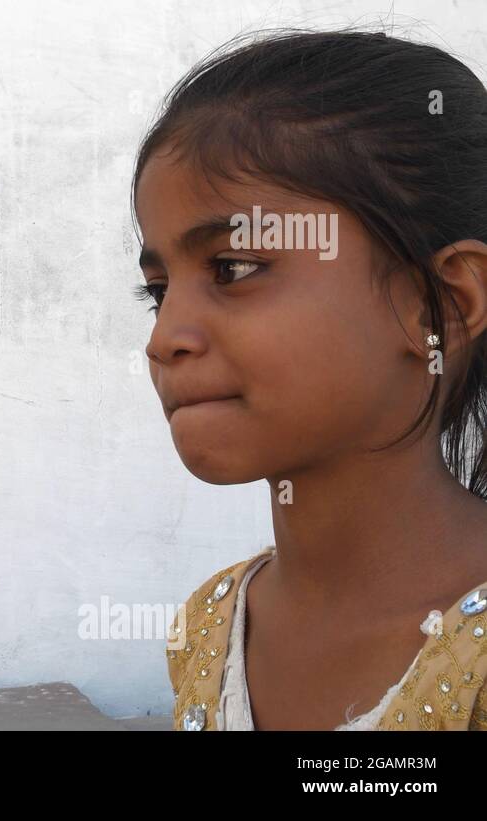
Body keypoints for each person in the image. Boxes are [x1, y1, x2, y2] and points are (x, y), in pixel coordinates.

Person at [133, 28, 487, 730]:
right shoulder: (210, 624)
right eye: (158, 288)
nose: (164, 337)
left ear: (442, 306)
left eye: (233, 268)